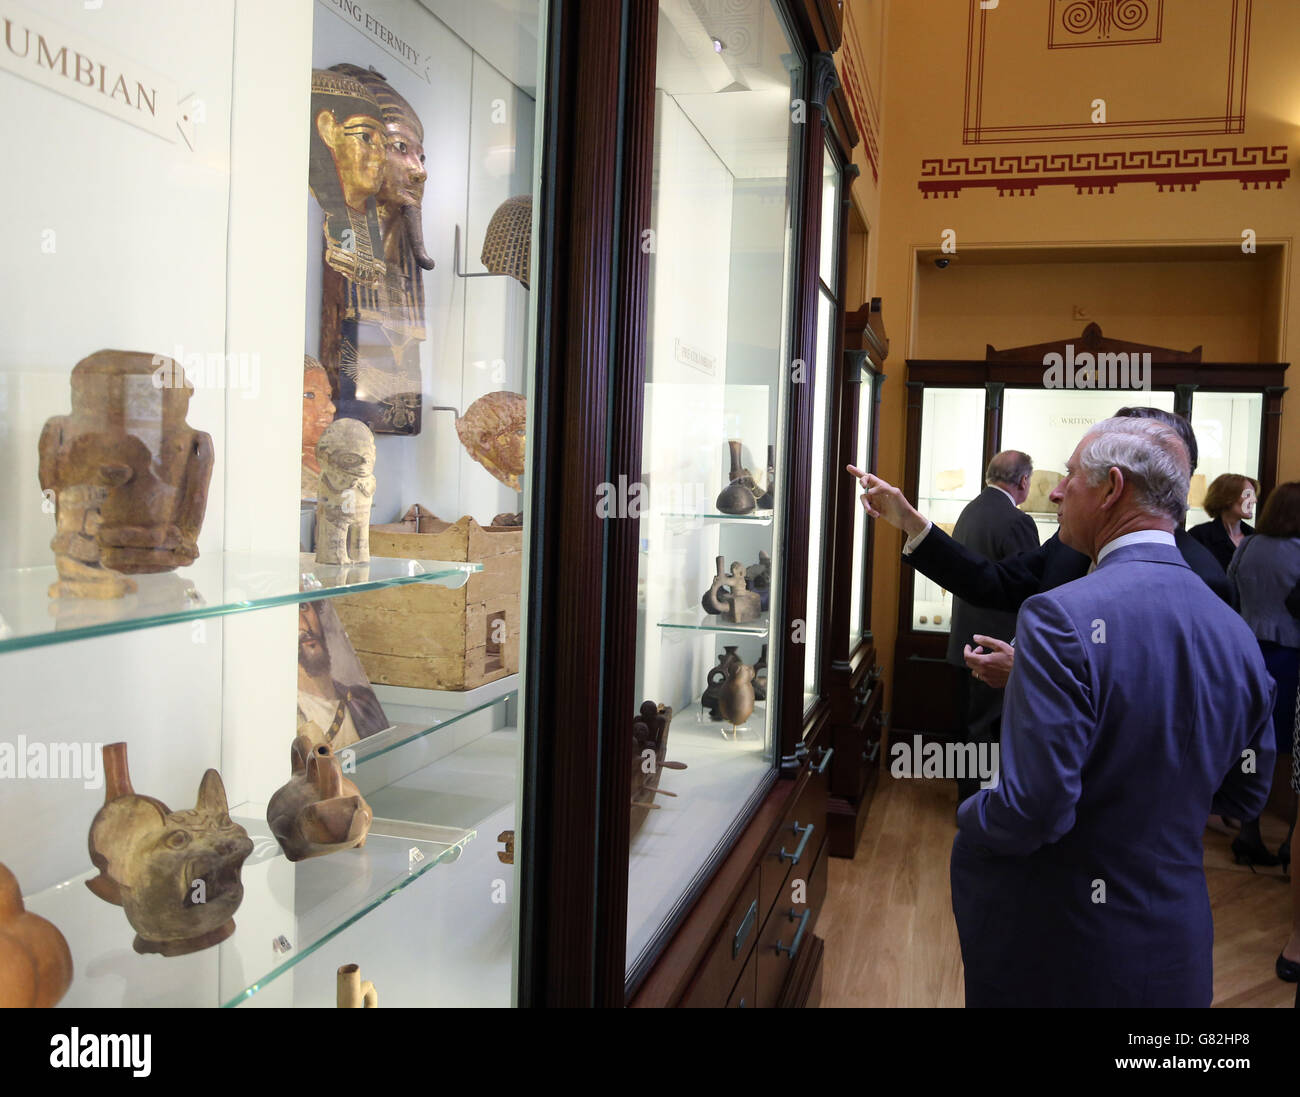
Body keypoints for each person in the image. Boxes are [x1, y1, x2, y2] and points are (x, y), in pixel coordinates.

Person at [946, 417, 1275, 1006]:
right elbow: (1246, 793)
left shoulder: (1058, 618)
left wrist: (973, 815)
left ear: (1112, 488)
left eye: (1070, 475)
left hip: (1061, 942)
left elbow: (1034, 809)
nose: (1054, 490)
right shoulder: (1236, 632)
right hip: (1173, 945)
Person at [847, 406, 1234, 692]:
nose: (1054, 492)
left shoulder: (1203, 582)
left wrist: (1029, 672)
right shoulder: (1070, 546)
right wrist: (911, 522)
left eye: (1074, 474)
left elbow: (1166, 709)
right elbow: (991, 580)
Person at [946, 451, 1039, 802]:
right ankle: (982, 807)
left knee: (971, 726)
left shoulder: (969, 510)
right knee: (990, 729)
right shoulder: (1016, 521)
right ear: (1024, 482)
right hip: (997, 644)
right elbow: (1029, 588)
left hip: (964, 639)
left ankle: (968, 799)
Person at [1227, 482, 1300, 870]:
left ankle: (1248, 827)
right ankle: (1292, 838)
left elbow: (1231, 590)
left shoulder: (1251, 545)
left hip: (1248, 652)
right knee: (1294, 751)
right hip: (1291, 655)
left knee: (1254, 742)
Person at [1189, 473, 1257, 572]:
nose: (1254, 500)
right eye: (1247, 495)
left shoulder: (1256, 538)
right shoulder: (1199, 536)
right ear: (1227, 497)